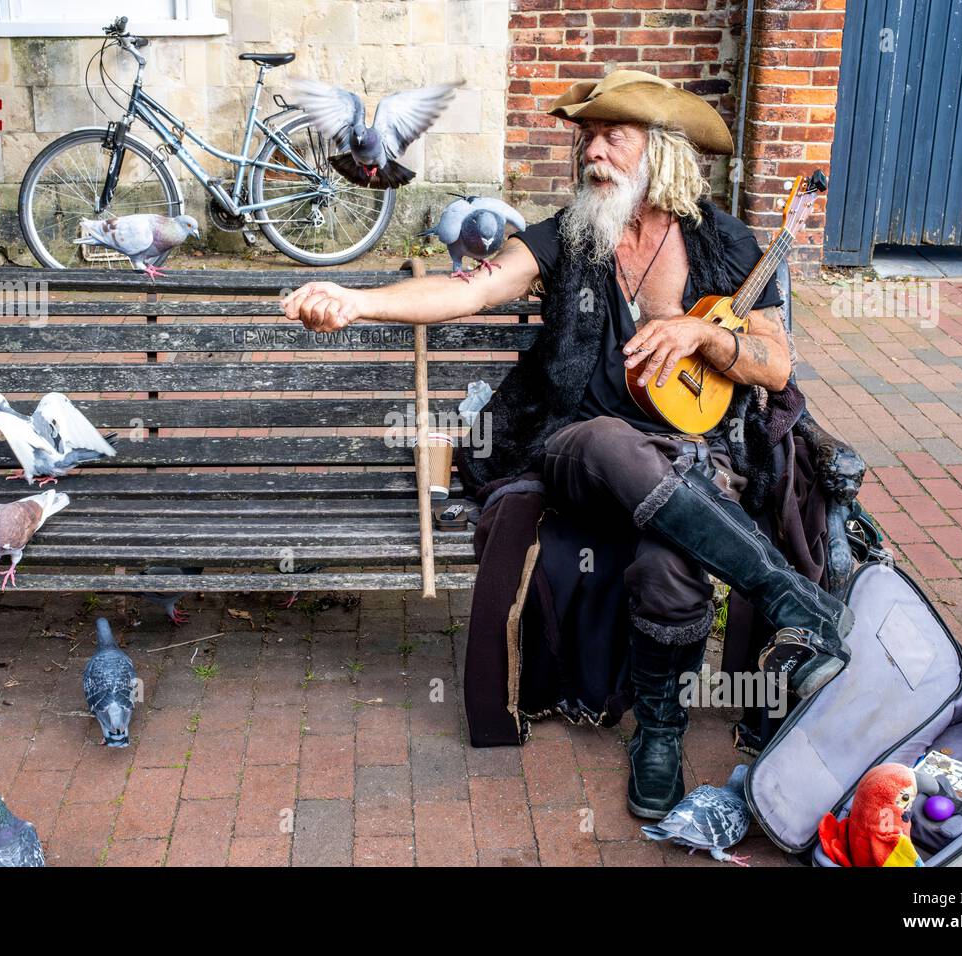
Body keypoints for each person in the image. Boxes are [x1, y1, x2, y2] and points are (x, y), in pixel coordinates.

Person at [283, 70, 854, 821]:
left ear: (662, 151)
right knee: (609, 439)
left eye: (614, 135)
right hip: (573, 448)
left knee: (670, 566)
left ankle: (659, 733)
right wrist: (357, 302)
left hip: (690, 455)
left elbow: (774, 366)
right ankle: (785, 594)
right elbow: (468, 289)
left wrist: (702, 333)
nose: (593, 151)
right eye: (587, 136)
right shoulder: (567, 235)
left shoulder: (724, 244)